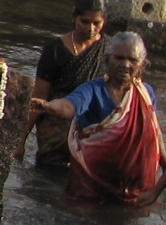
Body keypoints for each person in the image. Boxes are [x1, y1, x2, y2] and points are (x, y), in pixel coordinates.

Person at [32, 32, 166, 206]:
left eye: (132, 60)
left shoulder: (146, 94)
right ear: (107, 60)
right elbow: (69, 105)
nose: (125, 65)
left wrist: (155, 192)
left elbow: (157, 144)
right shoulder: (93, 90)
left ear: (141, 64)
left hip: (135, 195)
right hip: (90, 190)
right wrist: (49, 106)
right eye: (119, 58)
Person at [23, 0, 109, 167]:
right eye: (85, 22)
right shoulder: (55, 50)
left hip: (92, 129)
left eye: (97, 23)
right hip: (56, 130)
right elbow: (40, 96)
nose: (91, 28)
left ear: (104, 21)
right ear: (74, 17)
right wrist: (21, 140)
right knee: (50, 173)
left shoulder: (110, 50)